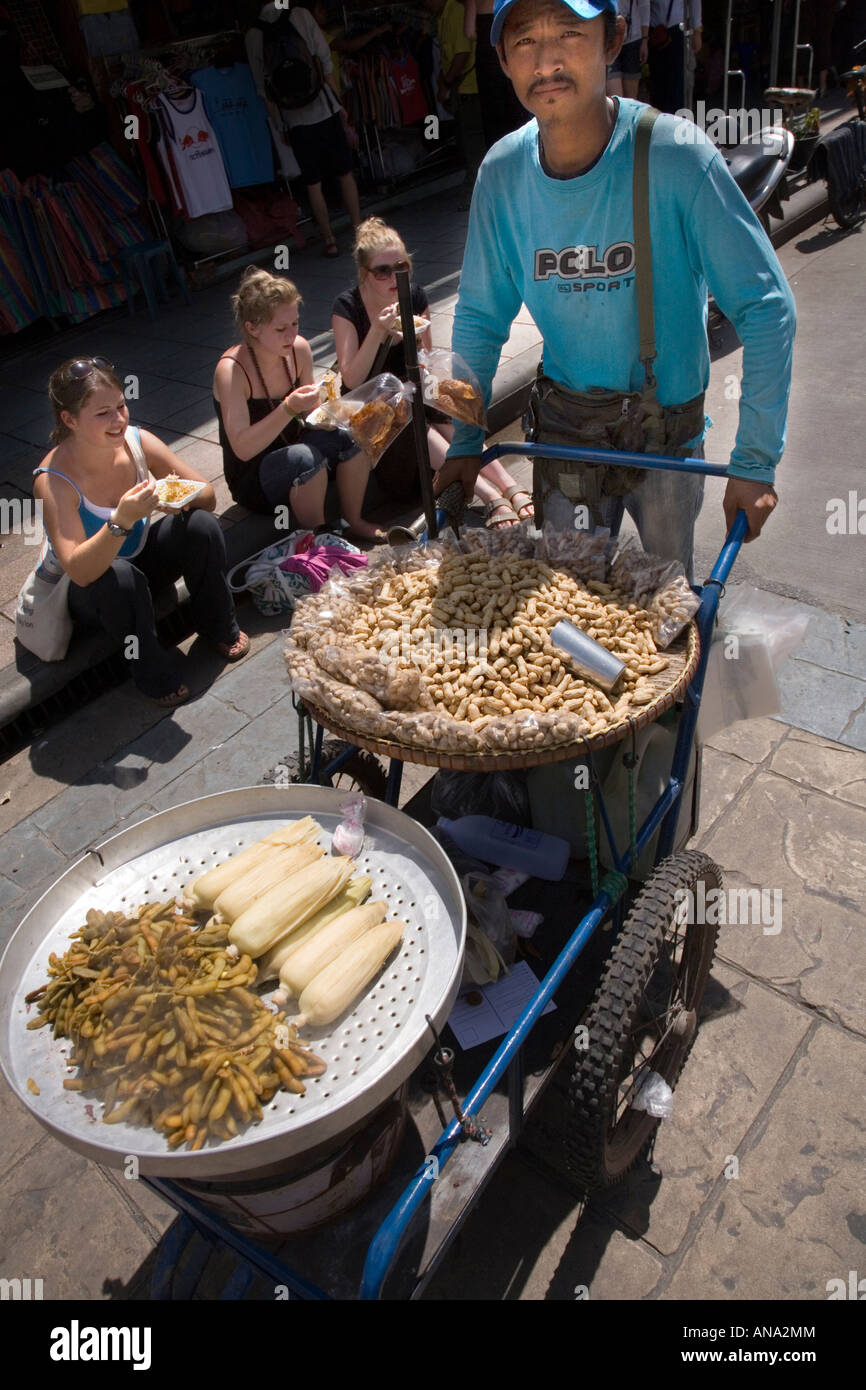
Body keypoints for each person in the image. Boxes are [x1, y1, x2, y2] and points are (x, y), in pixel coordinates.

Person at [435, 0, 795, 578]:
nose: (547, 59)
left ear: (613, 40)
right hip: (567, 431)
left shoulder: (676, 155)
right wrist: (463, 441)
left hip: (667, 435)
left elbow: (766, 308)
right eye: (525, 40)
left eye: (570, 33)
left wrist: (754, 462)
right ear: (502, 58)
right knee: (568, 613)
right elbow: (478, 317)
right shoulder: (503, 172)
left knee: (661, 604)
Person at [34, 357, 248, 708]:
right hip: (94, 590)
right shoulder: (53, 480)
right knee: (118, 576)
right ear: (69, 419)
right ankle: (152, 673)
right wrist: (120, 521)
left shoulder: (137, 442)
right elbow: (80, 570)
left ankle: (219, 628)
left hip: (140, 561)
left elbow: (208, 499)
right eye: (103, 413)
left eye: (121, 406)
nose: (118, 419)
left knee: (200, 526)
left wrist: (174, 495)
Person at [332, 217, 535, 527]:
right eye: (383, 271)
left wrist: (432, 376)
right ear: (365, 274)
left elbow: (426, 357)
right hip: (369, 406)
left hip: (410, 391)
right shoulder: (348, 307)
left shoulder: (412, 296)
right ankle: (488, 495)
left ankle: (508, 484)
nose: (394, 277)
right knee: (409, 407)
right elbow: (351, 379)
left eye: (401, 267)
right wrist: (377, 330)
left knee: (445, 398)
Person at [214, 267, 384, 542]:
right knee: (306, 458)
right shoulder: (231, 371)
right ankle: (319, 538)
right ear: (252, 328)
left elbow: (312, 415)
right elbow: (242, 449)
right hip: (254, 477)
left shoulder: (299, 349)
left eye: (295, 324)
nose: (290, 335)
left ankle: (354, 520)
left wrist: (341, 411)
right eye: (280, 329)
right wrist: (287, 408)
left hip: (298, 447)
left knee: (352, 436)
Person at [246, 3, 360, 257]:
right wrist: (338, 104)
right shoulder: (300, 15)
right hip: (324, 108)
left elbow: (263, 89)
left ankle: (329, 241)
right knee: (345, 173)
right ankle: (359, 232)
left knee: (313, 183)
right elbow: (325, 60)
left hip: (294, 119)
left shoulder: (253, 34)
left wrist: (279, 124)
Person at [423, 0, 486, 206]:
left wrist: (446, 83)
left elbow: (462, 54)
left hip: (469, 89)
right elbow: (448, 57)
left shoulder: (456, 12)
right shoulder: (442, 18)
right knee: (468, 144)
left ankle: (476, 195)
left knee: (473, 145)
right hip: (461, 91)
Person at [463, 0, 528, 146]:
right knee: (520, 112)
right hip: (512, 51)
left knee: (493, 117)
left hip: (486, 57)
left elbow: (469, 32)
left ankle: (499, 159)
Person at [646, 0, 701, 115]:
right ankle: (660, 124)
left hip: (677, 30)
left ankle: (678, 122)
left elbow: (694, 3)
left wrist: (697, 31)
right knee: (657, 82)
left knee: (677, 82)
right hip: (654, 32)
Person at [607, 0, 649, 98]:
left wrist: (645, 39)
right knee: (616, 97)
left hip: (633, 39)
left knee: (631, 99)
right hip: (610, 39)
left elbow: (644, 5)